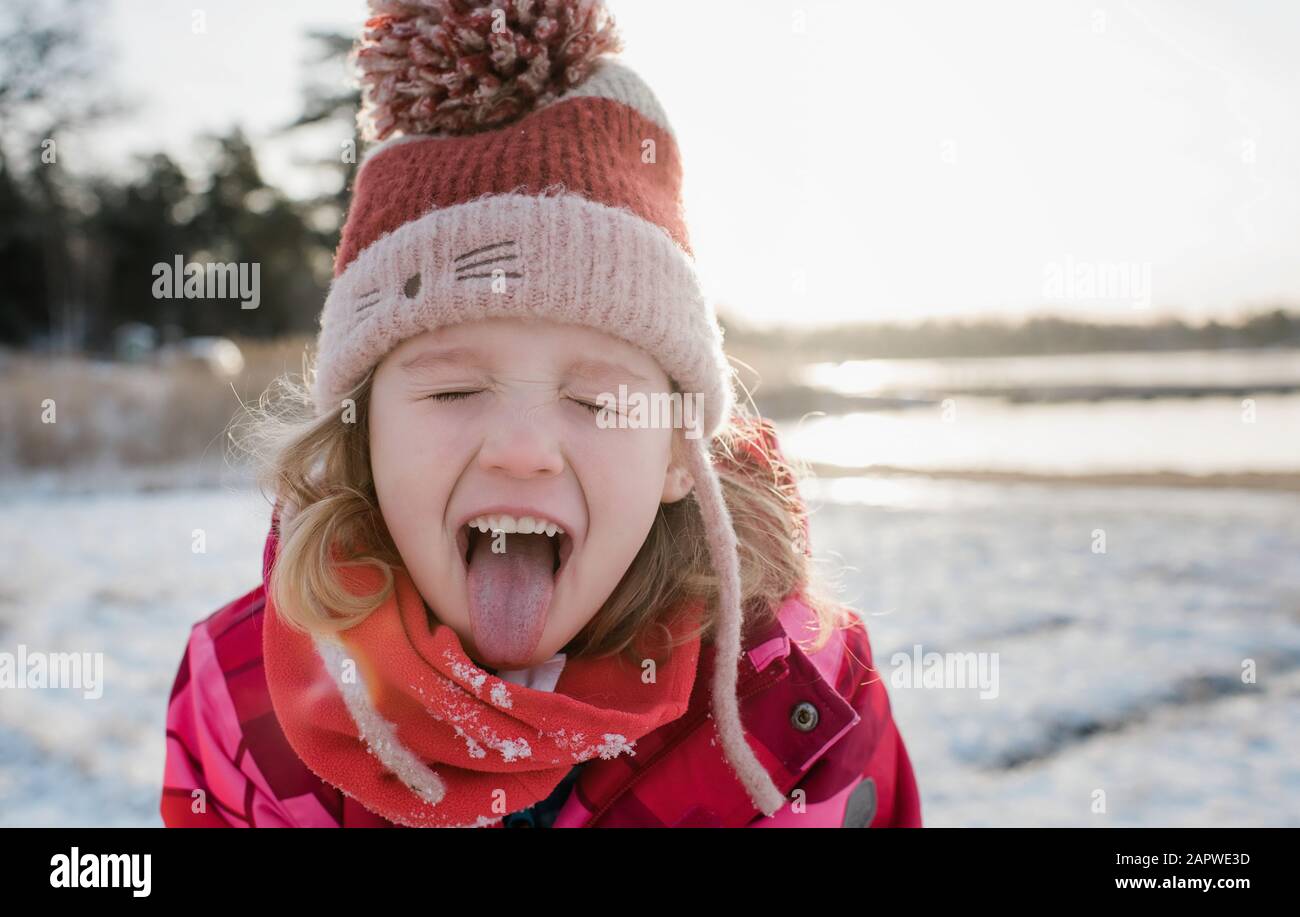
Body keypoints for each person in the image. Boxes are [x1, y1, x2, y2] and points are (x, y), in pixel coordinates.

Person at [160, 0, 921, 829]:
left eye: (597, 401)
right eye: (452, 391)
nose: (523, 451)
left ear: (676, 452)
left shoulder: (800, 698)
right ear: (362, 428)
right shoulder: (241, 701)